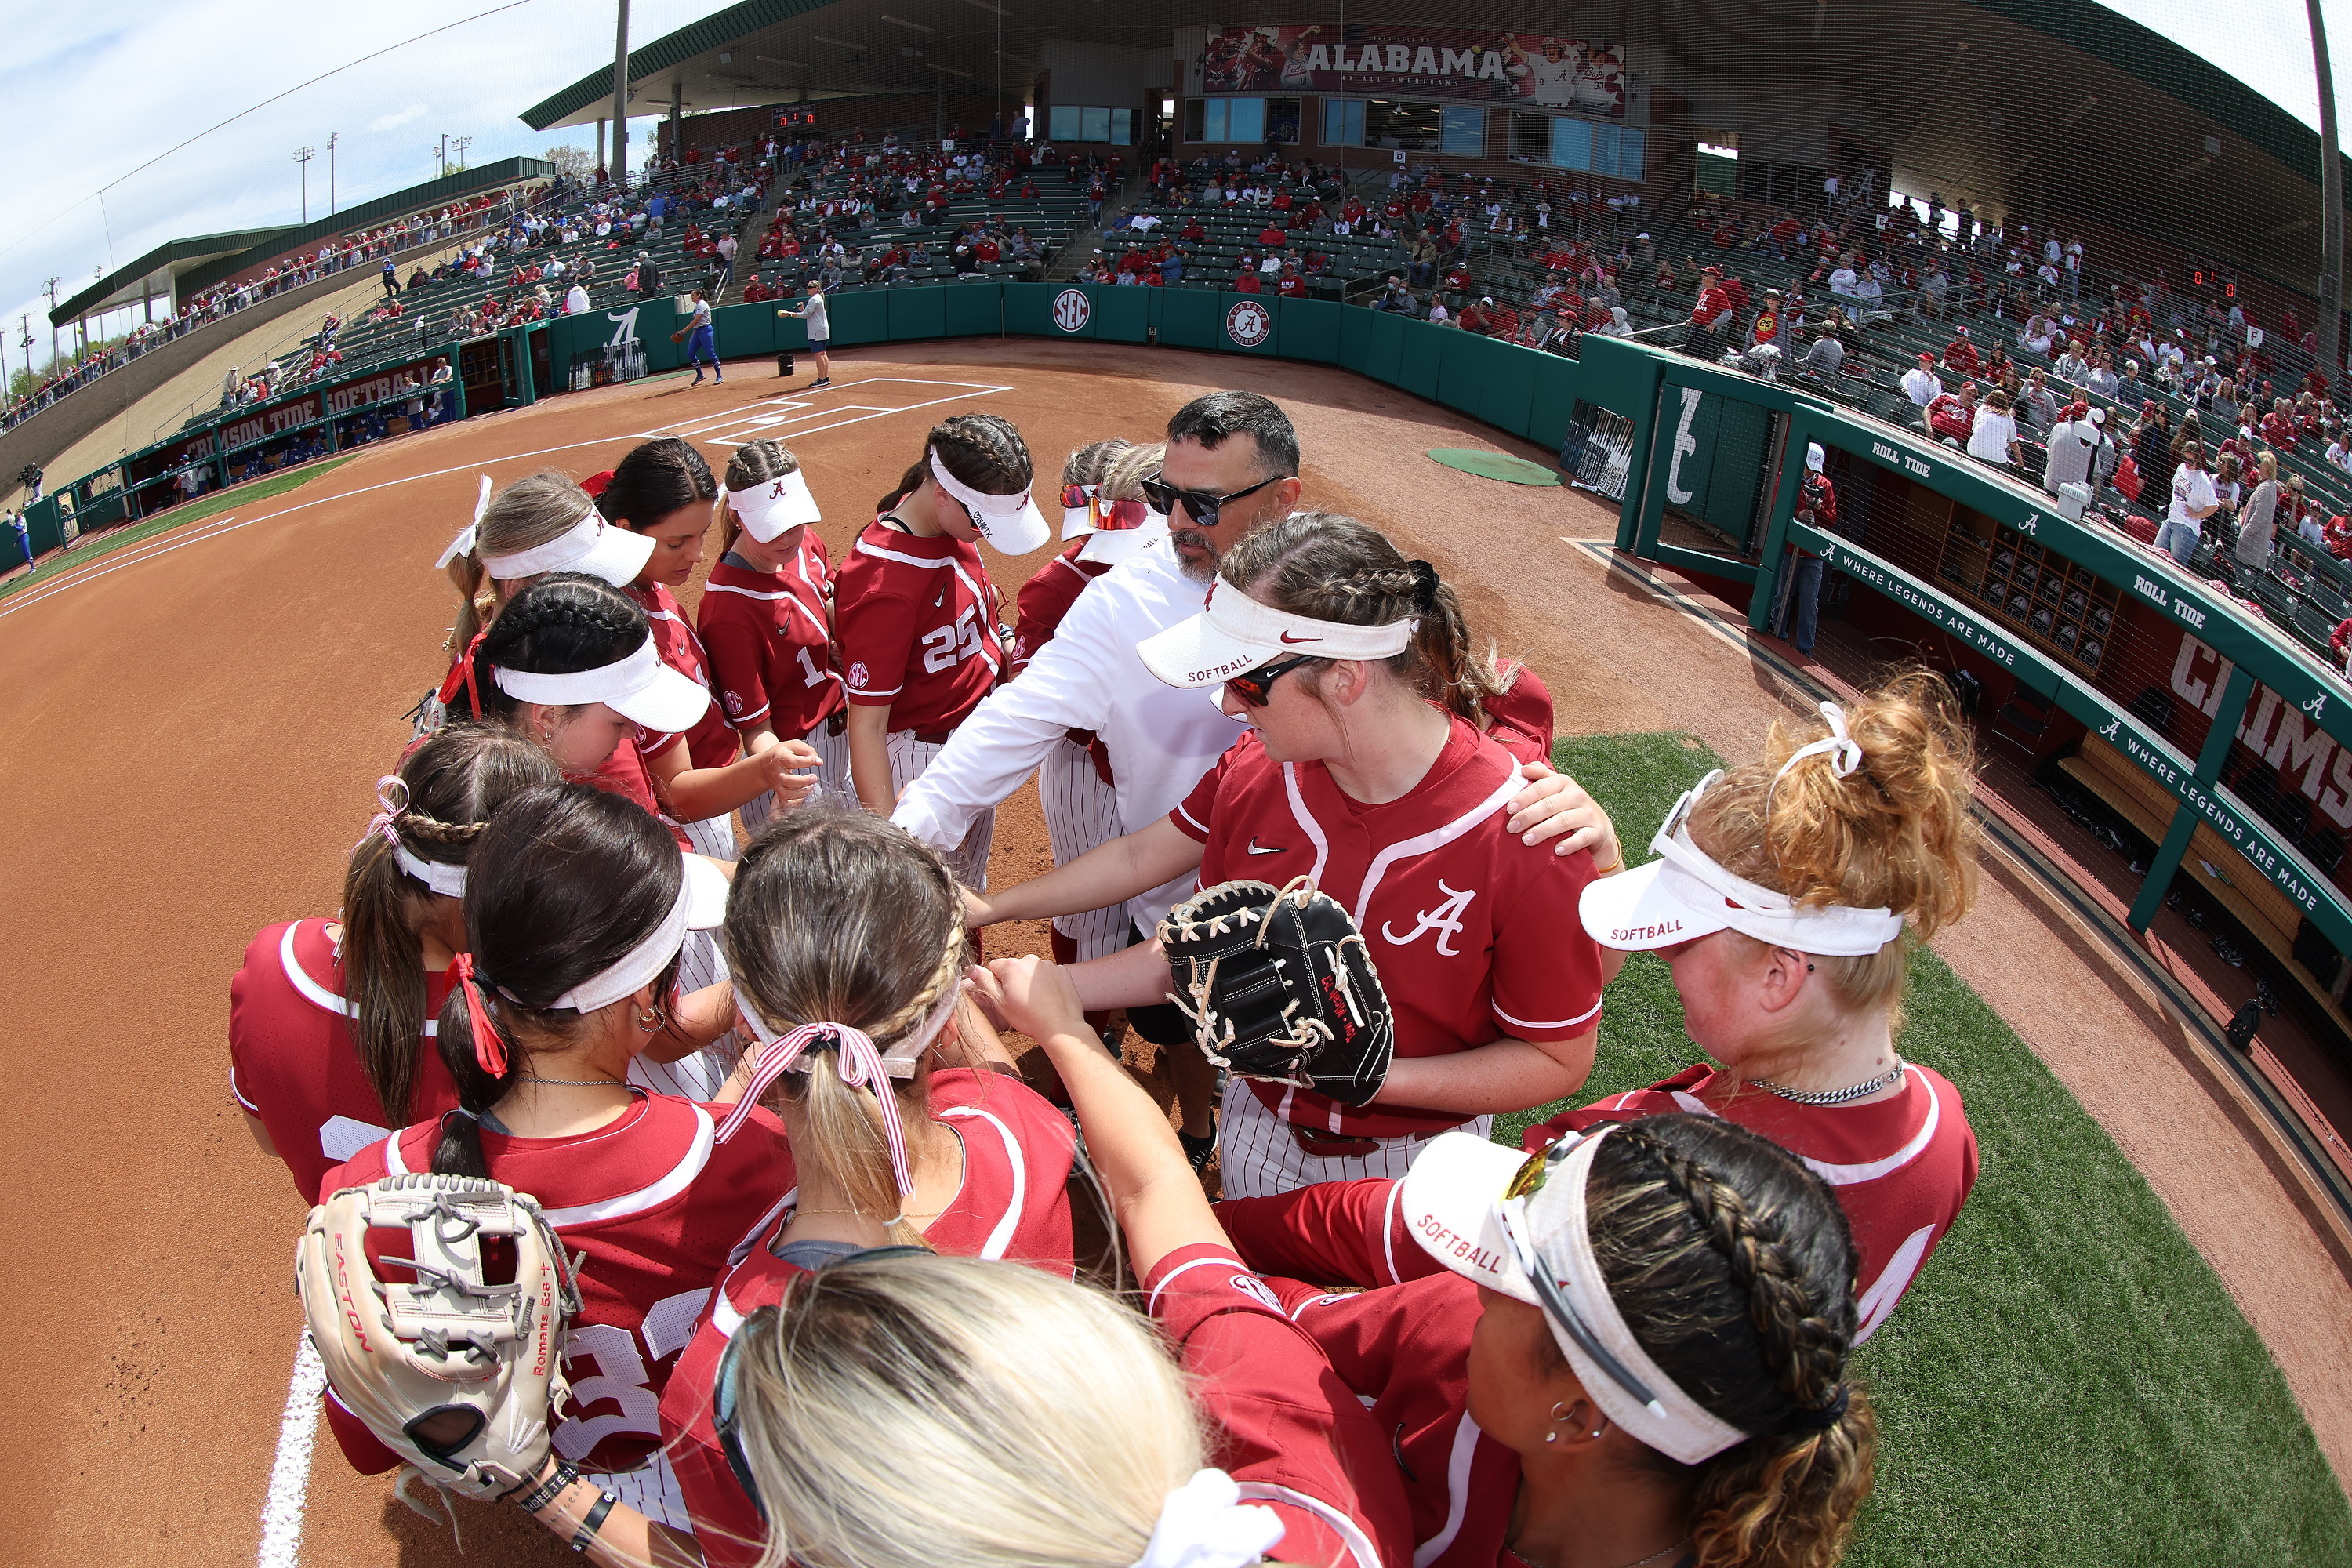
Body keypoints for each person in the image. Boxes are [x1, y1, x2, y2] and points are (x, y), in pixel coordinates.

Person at [898, 395, 1612, 1167]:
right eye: (1166, 495)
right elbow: (1177, 912)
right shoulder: (1252, 764)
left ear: (1344, 677)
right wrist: (1023, 949)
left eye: (1247, 682)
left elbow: (1557, 1050)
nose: (1228, 707)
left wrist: (1369, 1080)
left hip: (1416, 1161)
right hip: (1255, 1112)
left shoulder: (1517, 821)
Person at [1221, 673, 1983, 1345]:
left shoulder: (1634, 1159)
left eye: (1683, 941)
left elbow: (1411, 1254)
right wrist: (1609, 864)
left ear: (1780, 976)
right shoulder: (1940, 1127)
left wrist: (1215, 1236)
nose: (1662, 955)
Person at [321, 782, 790, 1529]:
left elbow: (366, 1443)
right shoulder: (754, 1160)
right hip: (717, 1501)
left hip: (549, 1489)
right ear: (650, 999)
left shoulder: (371, 1190)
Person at [657, 809, 1083, 1563]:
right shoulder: (1026, 1136)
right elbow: (1003, 1094)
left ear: (748, 1025)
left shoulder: (717, 1376)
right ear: (943, 1015)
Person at [229, 728, 559, 1201]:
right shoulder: (530, 1027)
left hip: (345, 1243)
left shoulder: (271, 963)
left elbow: (267, 1139)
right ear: (494, 893)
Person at [837, 413, 1048, 888]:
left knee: (966, 884)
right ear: (943, 495)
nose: (985, 533)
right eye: (984, 522)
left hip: (968, 740)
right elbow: (866, 724)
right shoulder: (884, 586)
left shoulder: (948, 526)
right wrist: (890, 834)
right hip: (919, 762)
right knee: (923, 899)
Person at [594, 438, 748, 861]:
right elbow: (677, 793)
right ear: (626, 531)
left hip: (711, 794)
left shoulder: (646, 581)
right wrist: (765, 771)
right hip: (690, 825)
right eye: (677, 543)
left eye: (702, 534)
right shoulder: (627, 637)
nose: (697, 555)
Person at [697, 439, 851, 829]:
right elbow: (755, 728)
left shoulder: (805, 543)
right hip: (793, 760)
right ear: (736, 516)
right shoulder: (727, 612)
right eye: (771, 526)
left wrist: (837, 639)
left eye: (794, 520)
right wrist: (784, 780)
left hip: (843, 735)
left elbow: (826, 600)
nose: (787, 537)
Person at [1781, 443, 1837, 659]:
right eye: (1809, 466)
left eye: (1815, 468)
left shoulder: (1825, 485)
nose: (1811, 471)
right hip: (1789, 548)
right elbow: (1778, 505)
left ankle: (1805, 649)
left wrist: (1820, 509)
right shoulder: (1788, 476)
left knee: (1809, 603)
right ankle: (1778, 635)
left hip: (1813, 554)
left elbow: (1833, 519)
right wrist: (1798, 514)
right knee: (1782, 595)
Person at [2158, 440, 2220, 568]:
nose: (2187, 463)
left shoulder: (2203, 480)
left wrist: (2197, 515)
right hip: (2170, 520)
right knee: (2155, 555)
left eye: (2191, 461)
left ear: (2198, 460)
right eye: (2184, 458)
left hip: (2186, 527)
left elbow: (2214, 506)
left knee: (2175, 567)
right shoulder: (2181, 468)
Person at [778, 279, 833, 387]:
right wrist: (802, 309)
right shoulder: (818, 298)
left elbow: (805, 315)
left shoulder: (814, 299)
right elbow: (808, 314)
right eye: (807, 287)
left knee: (819, 354)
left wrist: (789, 314)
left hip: (816, 330)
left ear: (816, 288)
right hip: (821, 329)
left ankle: (822, 379)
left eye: (810, 287)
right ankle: (825, 377)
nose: (808, 289)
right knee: (822, 353)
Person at [2237, 449, 2281, 573]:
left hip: (2251, 549)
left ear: (2266, 466)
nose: (2258, 465)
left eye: (2261, 463)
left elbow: (2259, 517)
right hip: (2252, 548)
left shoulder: (2266, 488)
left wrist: (2245, 533)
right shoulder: (2268, 486)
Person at [1966, 387, 2021, 471]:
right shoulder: (2008, 417)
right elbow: (2013, 443)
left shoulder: (1981, 409)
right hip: (1997, 460)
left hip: (1974, 452)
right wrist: (2020, 463)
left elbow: (1974, 429)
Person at [683, 286, 722, 386]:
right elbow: (697, 324)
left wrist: (684, 331)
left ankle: (719, 376)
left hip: (706, 330)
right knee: (690, 353)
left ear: (698, 295)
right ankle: (700, 374)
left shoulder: (702, 304)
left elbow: (697, 320)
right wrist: (693, 335)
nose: (691, 297)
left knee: (710, 353)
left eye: (693, 295)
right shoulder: (697, 306)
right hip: (698, 331)